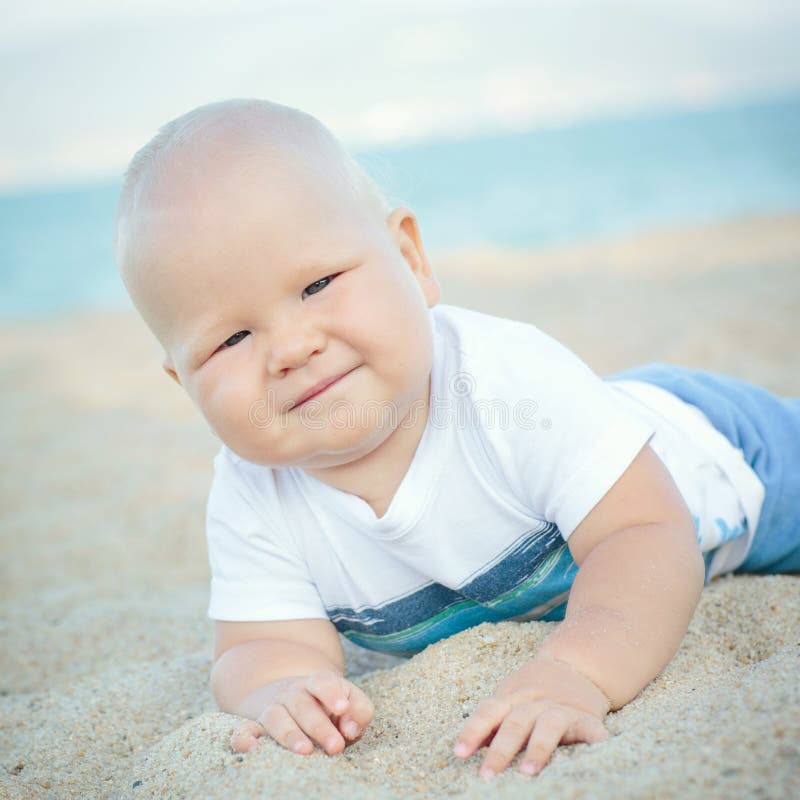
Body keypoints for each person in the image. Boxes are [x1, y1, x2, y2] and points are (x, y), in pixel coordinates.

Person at [113, 98, 800, 780]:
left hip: (727, 459)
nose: (291, 348)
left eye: (317, 284)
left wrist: (578, 671)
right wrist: (281, 688)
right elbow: (257, 643)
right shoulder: (251, 493)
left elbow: (643, 532)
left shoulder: (505, 379)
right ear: (184, 383)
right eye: (232, 338)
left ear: (410, 258)